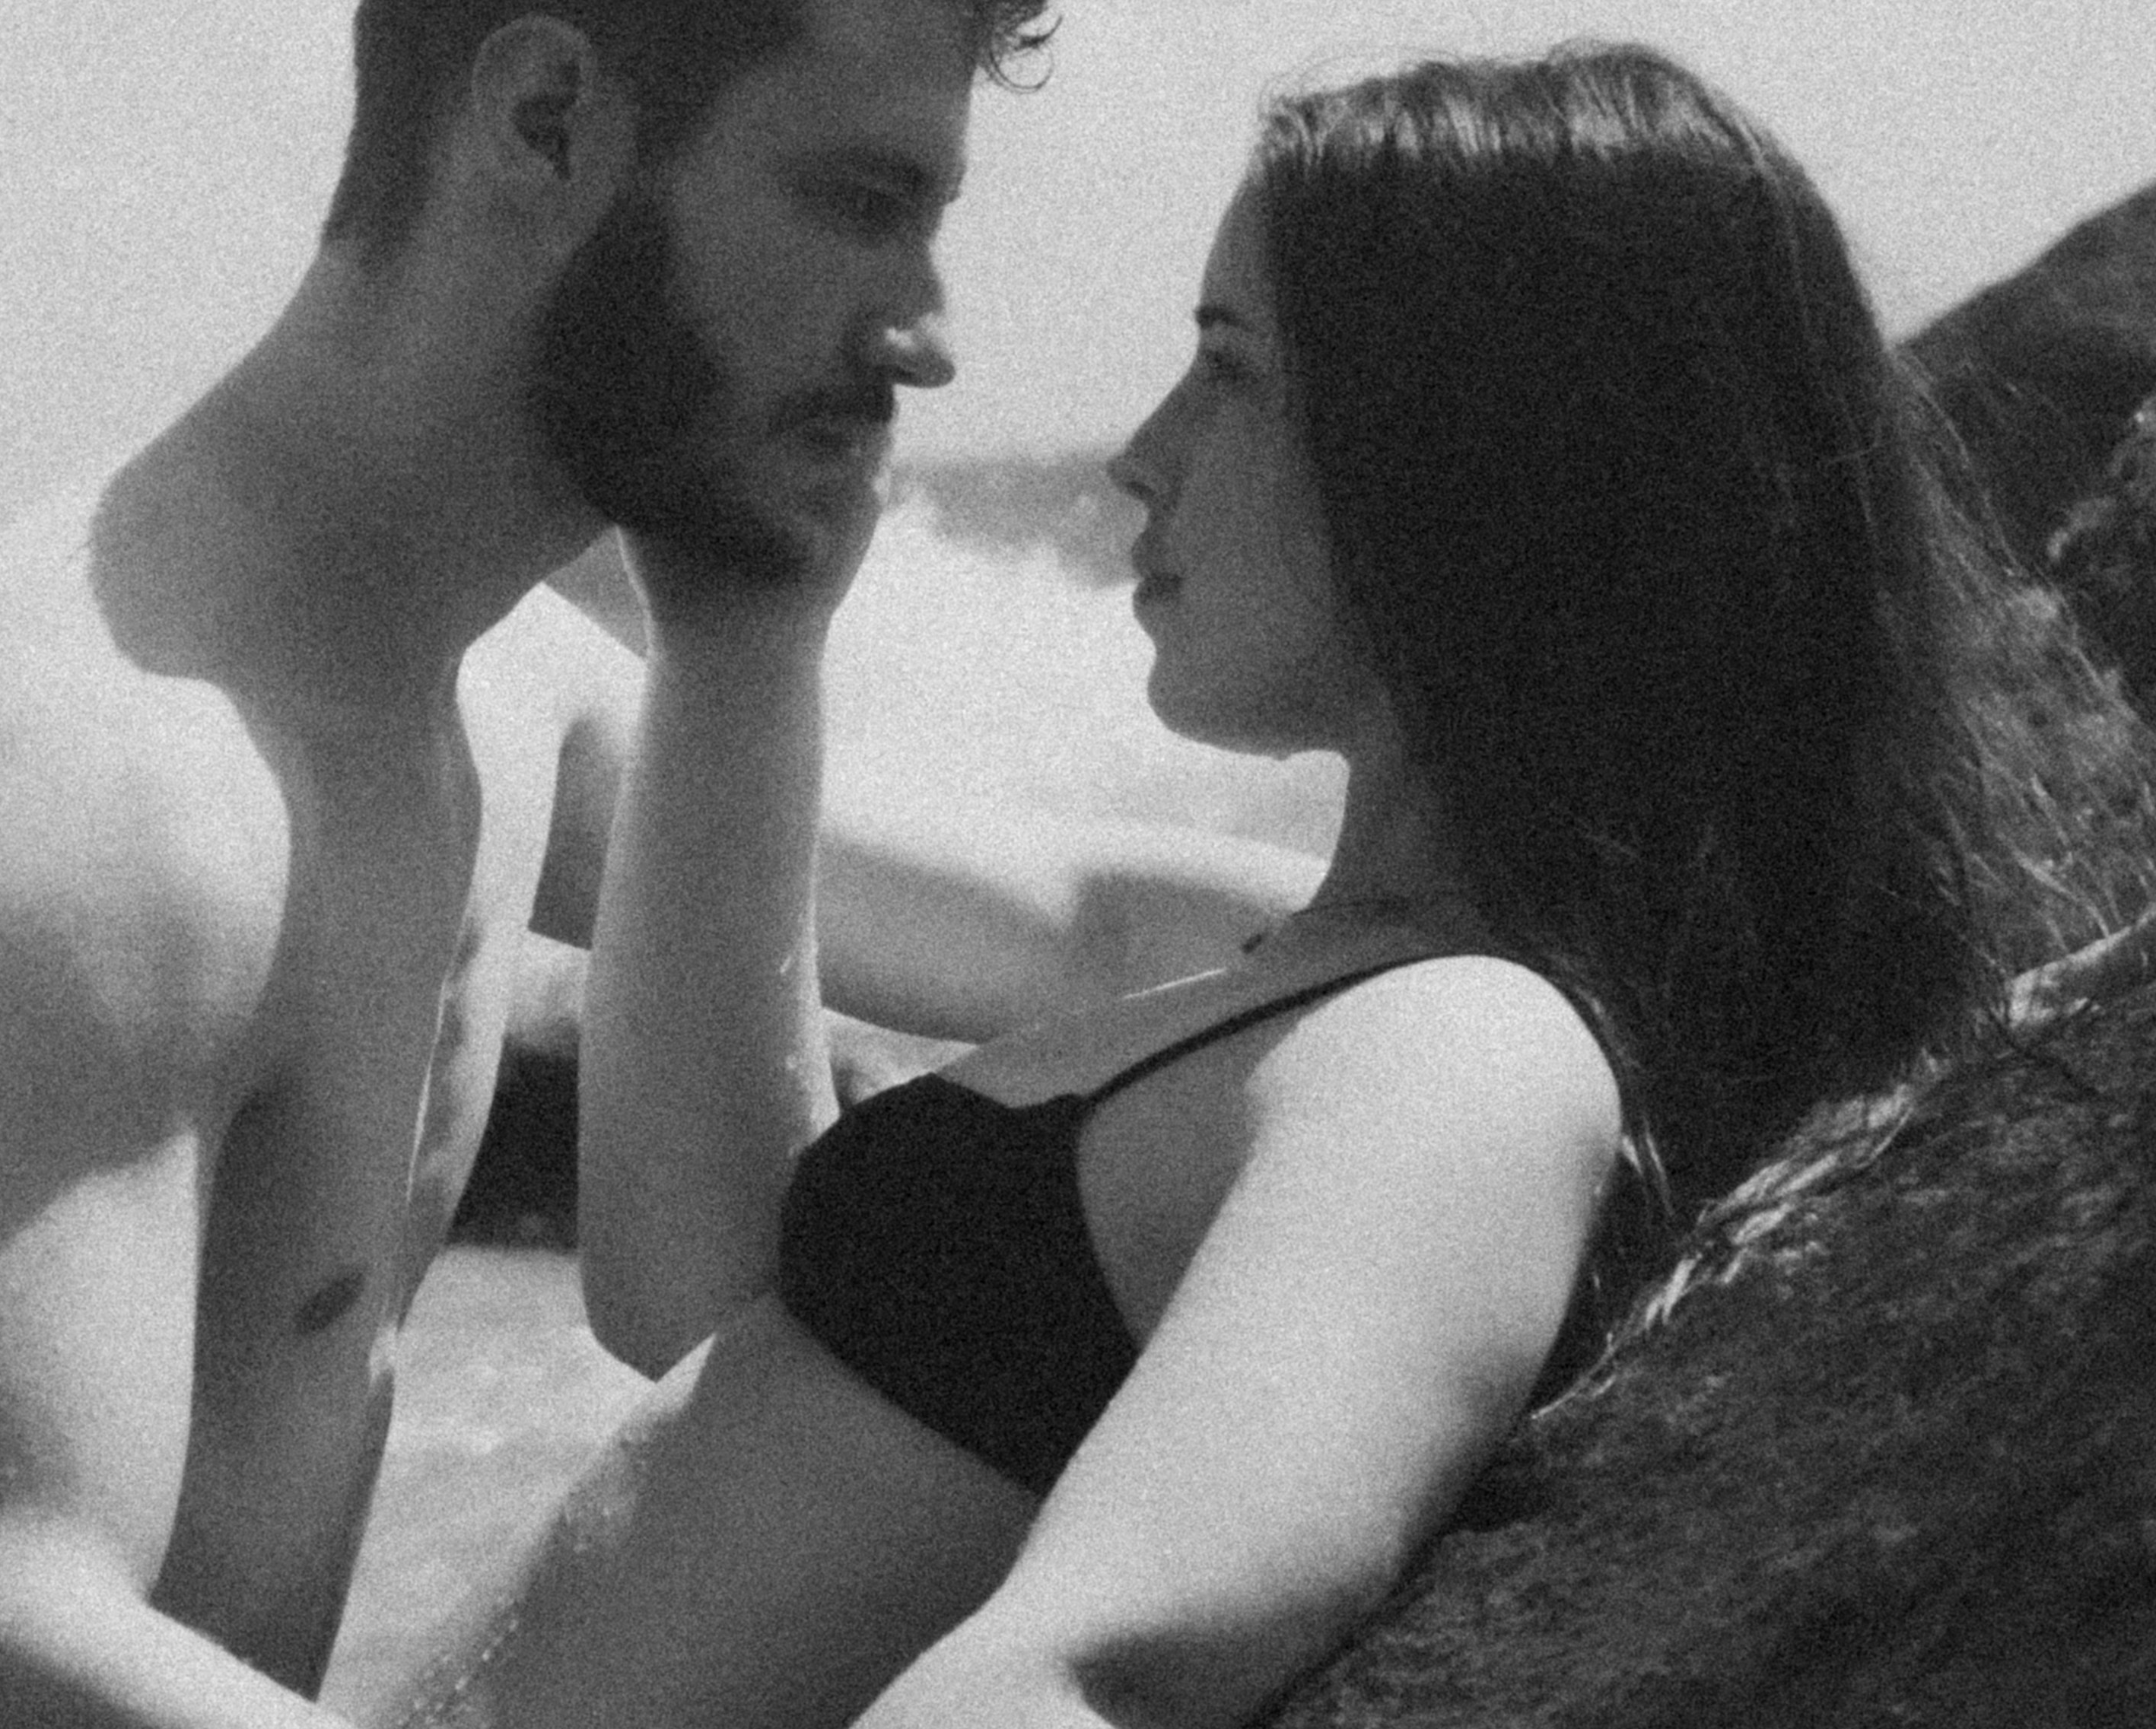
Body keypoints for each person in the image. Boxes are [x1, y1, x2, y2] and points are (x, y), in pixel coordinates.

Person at [394, 43, 2156, 1729]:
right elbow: (692, 1282)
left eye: (1226, 368)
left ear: (1464, 460)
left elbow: (1090, 1683)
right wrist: (743, 625)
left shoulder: (1454, 1061)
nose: (1136, 456)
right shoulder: (1302, 964)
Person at [0, 4, 1334, 1725]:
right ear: (544, 121)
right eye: (859, 203)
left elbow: (1080, 933)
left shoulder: (484, 690)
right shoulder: (112, 802)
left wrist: (1534, 925)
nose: (926, 337)